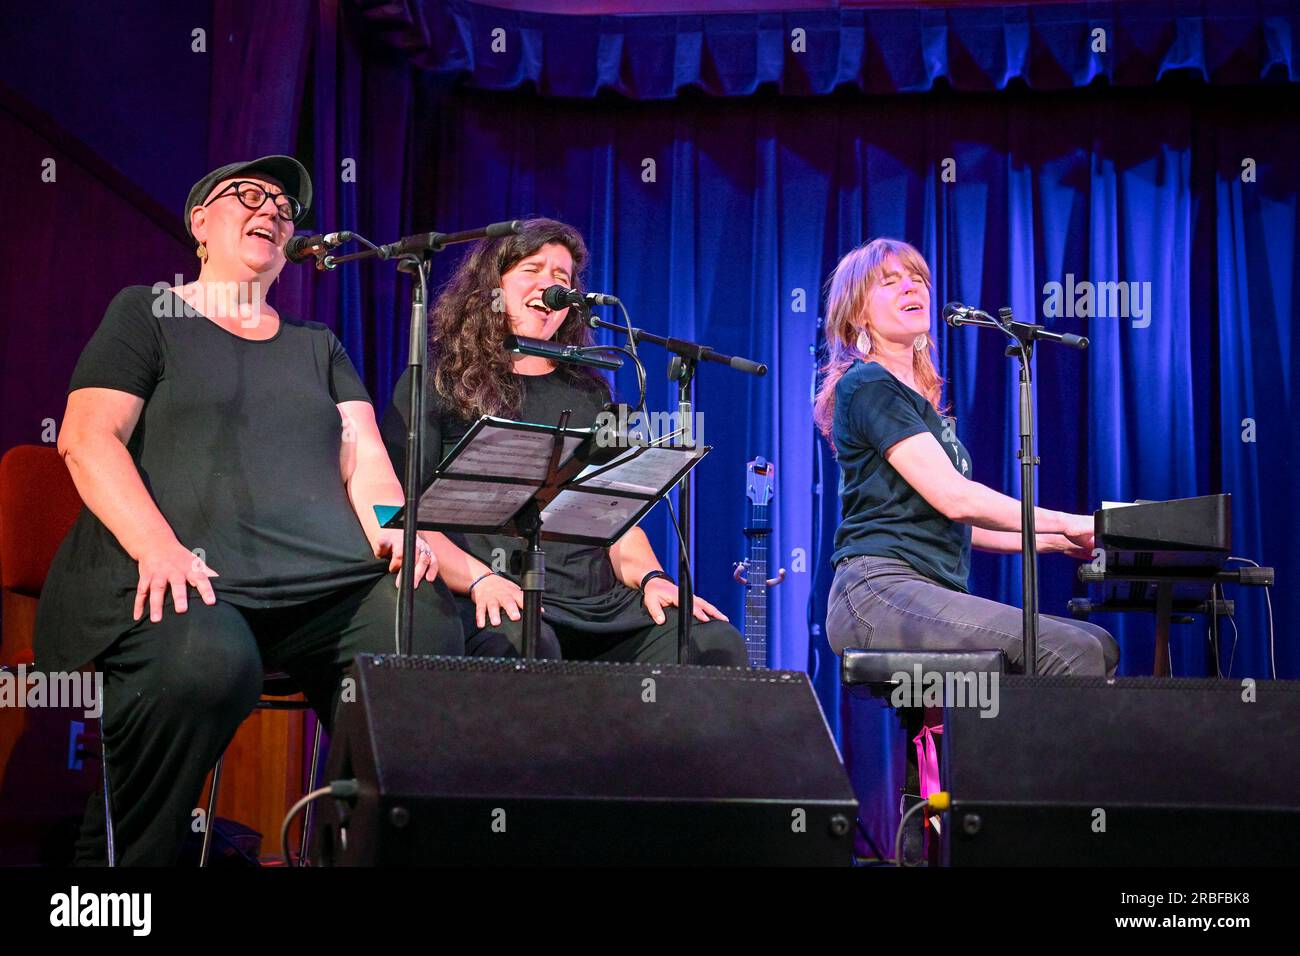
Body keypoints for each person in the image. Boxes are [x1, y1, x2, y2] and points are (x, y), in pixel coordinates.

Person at [34, 156, 464, 866]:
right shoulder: (148, 311)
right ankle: (120, 877)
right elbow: (86, 438)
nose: (271, 209)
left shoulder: (317, 345)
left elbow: (365, 462)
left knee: (419, 625)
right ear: (199, 223)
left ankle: (351, 850)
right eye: (249, 195)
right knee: (208, 660)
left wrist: (396, 533)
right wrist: (156, 546)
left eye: (284, 206)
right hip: (182, 579)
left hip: (316, 588)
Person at [380, 218, 745, 667]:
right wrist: (479, 580)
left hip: (597, 602)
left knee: (712, 642)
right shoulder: (439, 383)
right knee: (530, 646)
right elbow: (405, 514)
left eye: (562, 278)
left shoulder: (591, 391)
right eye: (532, 270)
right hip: (496, 591)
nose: (549, 286)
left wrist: (652, 577)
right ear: (492, 286)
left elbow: (615, 515)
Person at [815, 238, 1118, 676]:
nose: (911, 288)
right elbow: (957, 500)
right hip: (875, 593)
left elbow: (962, 526)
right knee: (1072, 651)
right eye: (891, 281)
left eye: (918, 279)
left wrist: (1057, 542)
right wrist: (1070, 521)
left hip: (920, 591)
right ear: (858, 313)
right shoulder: (868, 385)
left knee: (1098, 643)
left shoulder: (917, 404)